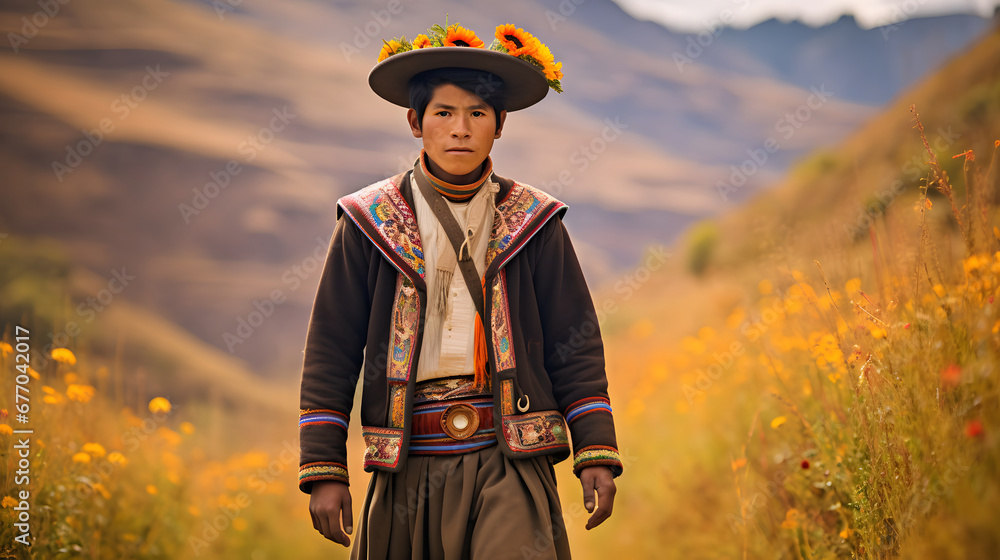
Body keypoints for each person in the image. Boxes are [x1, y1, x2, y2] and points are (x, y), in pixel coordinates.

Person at [298, 19, 623, 559]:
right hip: (408, 461)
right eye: (444, 113)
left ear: (500, 126)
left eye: (477, 115)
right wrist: (324, 469)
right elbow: (331, 349)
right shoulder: (366, 222)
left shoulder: (536, 223)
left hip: (509, 458)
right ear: (414, 121)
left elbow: (576, 341)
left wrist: (595, 450)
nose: (460, 129)